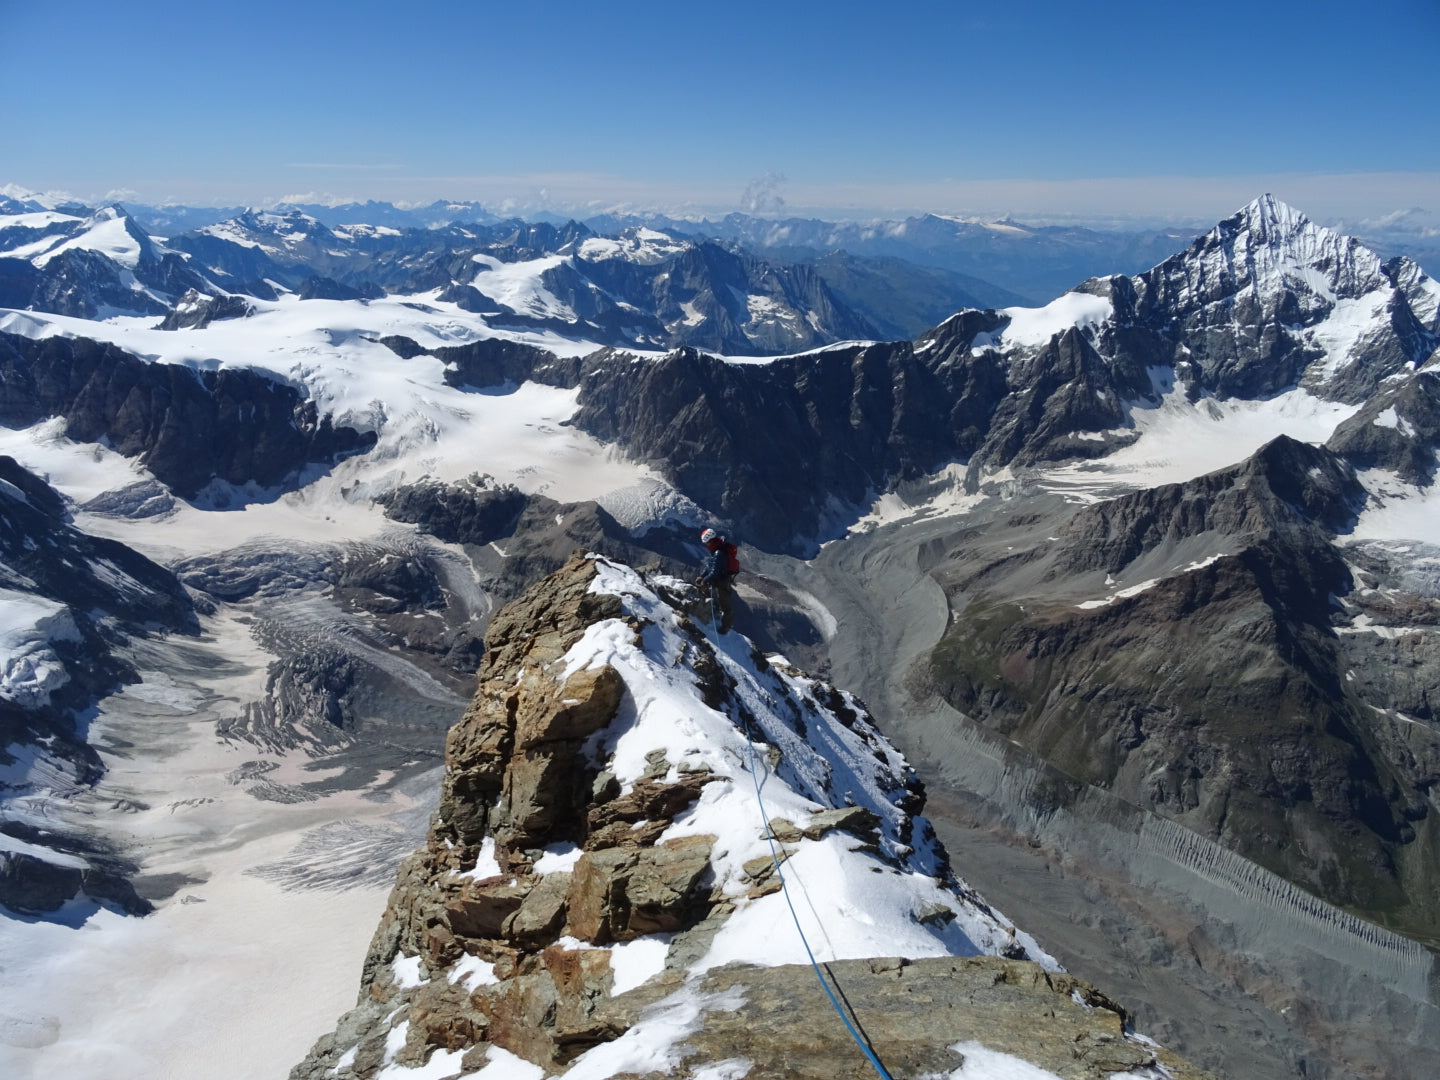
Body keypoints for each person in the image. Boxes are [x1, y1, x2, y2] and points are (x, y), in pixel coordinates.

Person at [695, 527, 740, 633]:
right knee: (720, 600)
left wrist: (704, 580)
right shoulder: (717, 548)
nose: (706, 545)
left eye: (706, 542)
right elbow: (710, 566)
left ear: (710, 541)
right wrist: (702, 576)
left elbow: (714, 572)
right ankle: (714, 614)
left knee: (725, 606)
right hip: (719, 579)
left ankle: (725, 627)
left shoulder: (718, 553)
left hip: (722, 582)